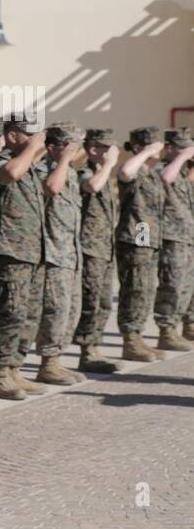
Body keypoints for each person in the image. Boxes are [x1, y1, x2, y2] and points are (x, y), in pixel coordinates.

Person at [0, 115, 50, 399]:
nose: (36, 139)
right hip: (9, 251)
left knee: (27, 315)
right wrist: (33, 148)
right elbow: (9, 174)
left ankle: (14, 369)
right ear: (12, 136)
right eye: (29, 135)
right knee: (7, 315)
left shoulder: (30, 167)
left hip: (32, 252)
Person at [33, 125, 87, 384]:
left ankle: (57, 360)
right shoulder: (44, 168)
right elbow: (52, 189)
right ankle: (48, 363)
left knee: (71, 310)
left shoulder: (72, 173)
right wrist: (63, 159)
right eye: (69, 145)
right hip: (53, 252)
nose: (75, 150)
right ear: (52, 147)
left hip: (71, 252)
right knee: (55, 310)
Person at [115, 126, 167, 361]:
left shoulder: (151, 173)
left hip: (148, 239)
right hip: (136, 236)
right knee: (134, 289)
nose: (158, 147)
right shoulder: (135, 168)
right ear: (137, 147)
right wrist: (145, 153)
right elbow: (125, 171)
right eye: (151, 144)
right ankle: (130, 340)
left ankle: (137, 336)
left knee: (145, 289)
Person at [73, 129, 121, 373]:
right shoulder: (85, 171)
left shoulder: (105, 174)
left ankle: (94, 346)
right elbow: (91, 187)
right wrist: (110, 164)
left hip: (105, 247)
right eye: (107, 147)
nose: (113, 152)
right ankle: (86, 350)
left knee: (103, 302)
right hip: (90, 247)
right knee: (91, 301)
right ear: (93, 150)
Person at [154, 128, 194, 350]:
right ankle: (166, 330)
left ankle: (182, 324)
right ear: (168, 148)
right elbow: (165, 178)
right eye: (181, 147)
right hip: (171, 237)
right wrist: (182, 157)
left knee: (187, 285)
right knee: (172, 284)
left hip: (187, 236)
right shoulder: (163, 168)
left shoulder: (182, 171)